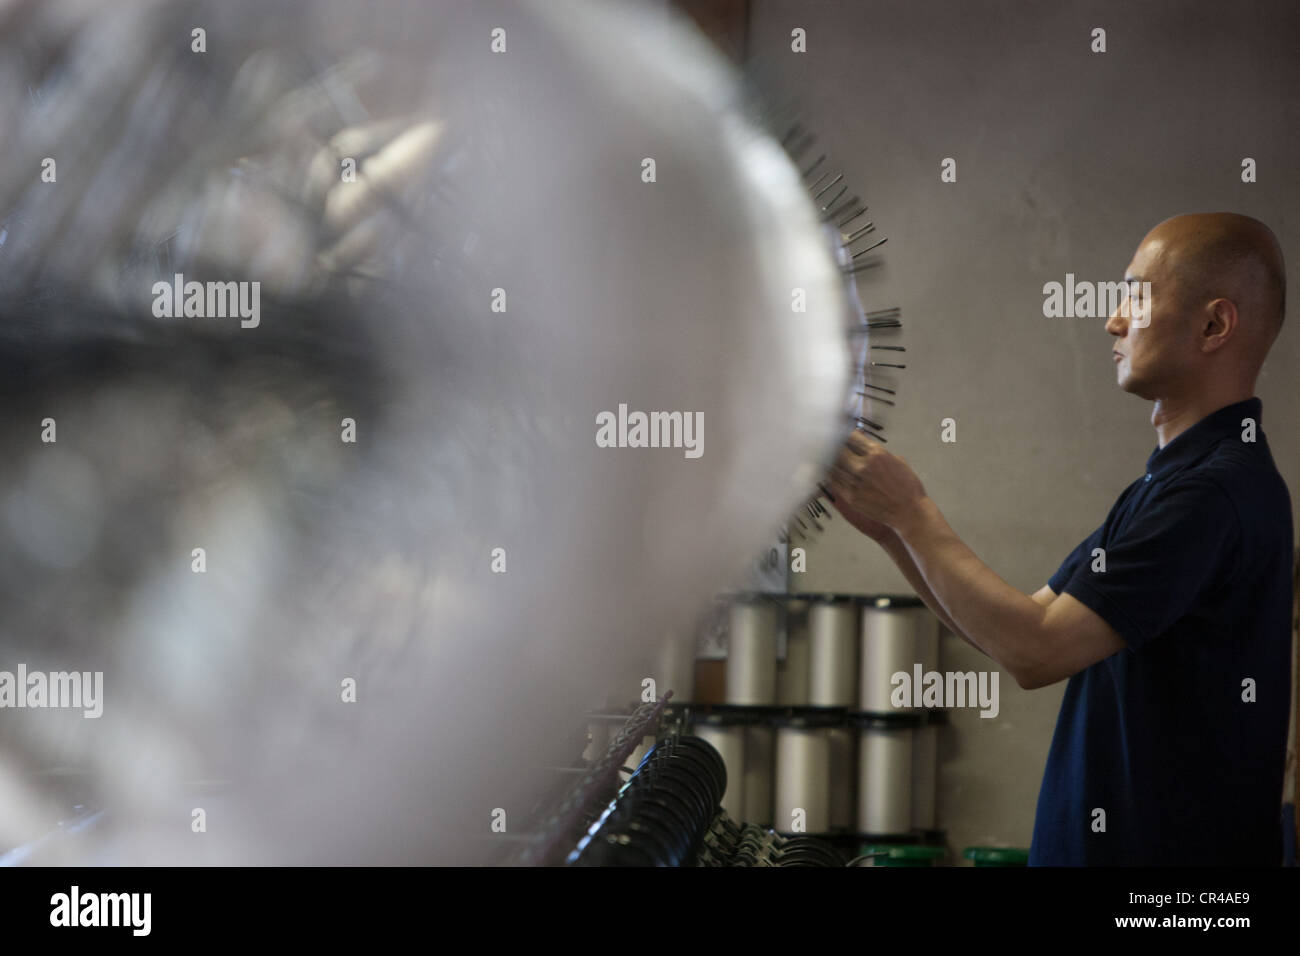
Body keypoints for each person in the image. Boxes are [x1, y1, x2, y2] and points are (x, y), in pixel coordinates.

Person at [828, 212, 1293, 865]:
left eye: (1137, 294)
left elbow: (1036, 653)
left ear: (1214, 325)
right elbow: (1024, 621)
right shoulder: (1171, 484)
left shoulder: (1210, 495)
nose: (1113, 320)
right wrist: (890, 533)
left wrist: (914, 515)